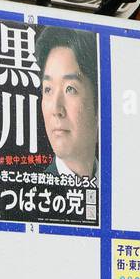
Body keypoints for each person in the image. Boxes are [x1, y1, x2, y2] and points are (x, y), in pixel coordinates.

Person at [36, 25, 99, 179]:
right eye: (48, 89)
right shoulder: (30, 197)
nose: (56, 109)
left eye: (70, 89)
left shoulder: (123, 186)